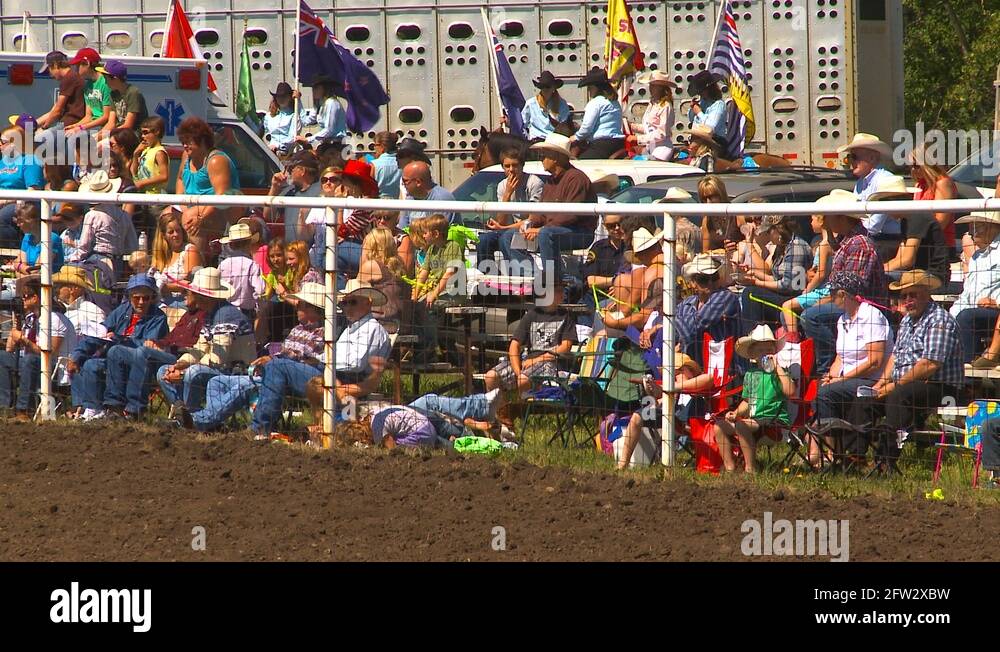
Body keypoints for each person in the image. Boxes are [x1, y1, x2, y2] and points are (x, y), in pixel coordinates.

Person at [846, 270, 963, 469]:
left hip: (940, 387)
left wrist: (893, 386)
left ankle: (885, 459)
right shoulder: (907, 321)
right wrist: (881, 382)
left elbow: (929, 365)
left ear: (926, 294)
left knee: (899, 396)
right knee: (864, 396)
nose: (907, 300)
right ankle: (854, 457)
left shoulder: (940, 320)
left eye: (913, 295)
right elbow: (895, 356)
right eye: (904, 296)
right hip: (905, 384)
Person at [247, 281, 390, 438]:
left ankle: (261, 428)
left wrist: (321, 358)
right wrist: (319, 358)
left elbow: (354, 364)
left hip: (344, 380)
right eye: (345, 302)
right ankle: (263, 428)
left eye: (353, 302)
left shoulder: (372, 328)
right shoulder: (353, 327)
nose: (347, 307)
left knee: (277, 366)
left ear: (368, 302)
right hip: (329, 374)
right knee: (274, 368)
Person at [799, 189, 888, 375]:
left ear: (840, 217)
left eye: (828, 216)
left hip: (859, 307)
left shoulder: (859, 245)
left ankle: (826, 368)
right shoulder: (846, 242)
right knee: (808, 313)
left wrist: (821, 301)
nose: (825, 219)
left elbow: (848, 291)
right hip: (845, 303)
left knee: (811, 316)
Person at [812, 272, 893, 468]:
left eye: (832, 293)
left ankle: (831, 453)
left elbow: (875, 360)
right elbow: (840, 357)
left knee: (825, 394)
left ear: (843, 294)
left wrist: (842, 379)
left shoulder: (871, 315)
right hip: (849, 379)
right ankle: (831, 451)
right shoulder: (843, 320)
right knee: (820, 388)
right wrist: (831, 376)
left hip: (872, 379)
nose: (830, 298)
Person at [67, 274, 168, 421]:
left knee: (115, 351)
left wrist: (117, 339)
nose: (141, 302)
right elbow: (99, 333)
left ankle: (115, 408)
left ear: (153, 297)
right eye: (136, 297)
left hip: (138, 365)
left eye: (146, 298)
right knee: (89, 363)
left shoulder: (158, 318)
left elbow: (147, 346)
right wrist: (76, 355)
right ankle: (93, 410)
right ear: (129, 296)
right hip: (113, 359)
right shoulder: (122, 311)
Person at [714, 325, 800, 474]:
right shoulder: (750, 374)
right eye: (761, 350)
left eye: (769, 350)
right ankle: (730, 468)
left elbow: (791, 392)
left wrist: (778, 368)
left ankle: (750, 468)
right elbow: (747, 402)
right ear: (753, 355)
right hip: (754, 420)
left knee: (741, 426)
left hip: (775, 422)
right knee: (719, 426)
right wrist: (736, 413)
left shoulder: (780, 373)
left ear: (774, 351)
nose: (765, 354)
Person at [516, 133, 596, 279]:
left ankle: (554, 281)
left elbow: (571, 215)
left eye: (544, 155)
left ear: (555, 157)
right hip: (555, 229)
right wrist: (529, 224)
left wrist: (540, 229)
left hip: (580, 232)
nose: (541, 159)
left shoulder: (576, 178)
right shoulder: (550, 181)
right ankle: (530, 278)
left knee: (547, 235)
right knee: (510, 237)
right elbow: (541, 212)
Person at [0, 278, 77, 421]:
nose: (23, 300)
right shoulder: (30, 318)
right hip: (31, 361)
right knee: (2, 357)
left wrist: (24, 340)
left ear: (35, 298)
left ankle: (24, 411)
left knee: (29, 360)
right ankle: (4, 406)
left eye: (25, 297)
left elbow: (51, 352)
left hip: (55, 367)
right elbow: (10, 349)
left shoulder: (54, 318)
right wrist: (16, 328)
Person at [484, 280, 576, 396]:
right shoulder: (532, 315)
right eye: (558, 290)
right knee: (491, 376)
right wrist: (517, 371)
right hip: (527, 361)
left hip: (552, 363)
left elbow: (566, 346)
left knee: (523, 379)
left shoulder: (566, 316)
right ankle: (497, 411)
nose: (563, 293)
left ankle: (518, 409)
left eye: (562, 290)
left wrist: (538, 359)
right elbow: (514, 345)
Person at [175, 117, 241, 257]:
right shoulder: (185, 157)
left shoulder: (216, 160)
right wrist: (182, 204)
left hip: (220, 210)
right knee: (166, 216)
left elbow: (221, 196)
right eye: (183, 142)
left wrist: (201, 217)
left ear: (203, 141)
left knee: (190, 219)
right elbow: (180, 179)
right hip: (192, 205)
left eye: (189, 142)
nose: (185, 146)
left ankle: (198, 264)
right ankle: (172, 265)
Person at [476, 147, 544, 272]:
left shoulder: (534, 183)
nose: (511, 170)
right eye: (507, 166)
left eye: (515, 165)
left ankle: (520, 278)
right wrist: (507, 194)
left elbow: (532, 220)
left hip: (531, 232)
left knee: (506, 236)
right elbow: (501, 221)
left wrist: (503, 228)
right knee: (484, 240)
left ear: (522, 166)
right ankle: (489, 279)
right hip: (511, 231)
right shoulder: (503, 185)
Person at [739, 215, 812, 331]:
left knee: (751, 294)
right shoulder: (782, 247)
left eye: (768, 232)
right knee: (749, 293)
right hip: (784, 294)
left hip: (794, 298)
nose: (767, 236)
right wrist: (754, 273)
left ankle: (753, 337)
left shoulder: (797, 247)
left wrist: (756, 282)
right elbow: (777, 278)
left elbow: (789, 285)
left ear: (777, 230)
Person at [838, 133, 901, 260]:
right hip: (869, 238)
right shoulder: (860, 183)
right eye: (849, 157)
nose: (851, 162)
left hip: (888, 242)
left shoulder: (885, 180)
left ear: (872, 158)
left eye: (854, 157)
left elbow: (874, 226)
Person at [877, 175, 949, 284]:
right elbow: (900, 257)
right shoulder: (906, 219)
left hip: (933, 275)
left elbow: (907, 259)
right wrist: (881, 269)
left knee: (882, 280)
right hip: (918, 272)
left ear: (893, 201)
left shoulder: (917, 217)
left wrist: (879, 270)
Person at [950, 212, 1000, 366]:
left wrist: (997, 302)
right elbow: (967, 292)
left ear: (993, 227)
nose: (972, 232)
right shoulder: (977, 256)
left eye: (978, 226)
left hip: (995, 311)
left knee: (966, 317)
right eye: (972, 227)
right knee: (948, 319)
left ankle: (965, 369)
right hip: (973, 311)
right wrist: (949, 317)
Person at [675, 254, 741, 367]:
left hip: (725, 370)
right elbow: (675, 334)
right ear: (693, 283)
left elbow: (691, 330)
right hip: (694, 368)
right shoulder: (686, 304)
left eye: (714, 278)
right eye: (704, 279)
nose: (710, 283)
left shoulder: (725, 297)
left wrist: (669, 319)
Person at [67, 170, 138, 273]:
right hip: (118, 264)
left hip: (98, 263)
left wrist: (70, 261)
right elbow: (132, 245)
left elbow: (84, 247)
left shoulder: (92, 215)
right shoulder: (124, 215)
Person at [780, 212, 836, 337]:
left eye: (812, 219)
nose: (810, 223)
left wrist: (808, 289)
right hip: (826, 289)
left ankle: (793, 342)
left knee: (787, 306)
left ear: (821, 221)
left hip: (823, 291)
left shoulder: (823, 245)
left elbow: (821, 274)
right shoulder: (832, 243)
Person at [357, 227, 410, 332]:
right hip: (398, 320)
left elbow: (355, 290)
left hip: (380, 322)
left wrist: (364, 253)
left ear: (372, 245)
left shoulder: (371, 265)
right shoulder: (399, 263)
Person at [0, 125, 46, 247]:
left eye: (2, 142)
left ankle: (8, 253)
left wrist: (4, 201)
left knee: (2, 216)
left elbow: (33, 190)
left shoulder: (30, 160)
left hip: (22, 204)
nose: (0, 145)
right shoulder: (2, 163)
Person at [910, 142, 959, 255]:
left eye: (916, 165)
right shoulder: (919, 185)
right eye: (910, 165)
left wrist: (915, 235)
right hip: (920, 241)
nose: (913, 169)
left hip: (940, 246)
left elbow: (941, 222)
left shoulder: (943, 183)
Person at [264, 150, 321, 244]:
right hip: (290, 252)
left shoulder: (321, 191)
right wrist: (274, 187)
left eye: (290, 169)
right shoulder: (289, 191)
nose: (287, 173)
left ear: (302, 171)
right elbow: (268, 215)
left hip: (311, 252)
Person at [149, 209, 202, 307]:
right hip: (161, 303)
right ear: (164, 236)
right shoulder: (160, 256)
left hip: (183, 304)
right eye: (171, 232)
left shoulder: (189, 250)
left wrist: (166, 288)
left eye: (178, 230)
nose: (176, 235)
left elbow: (190, 284)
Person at [572, 67, 625, 159]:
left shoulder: (595, 103)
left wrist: (575, 137)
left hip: (601, 145)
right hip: (618, 143)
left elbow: (587, 128)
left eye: (590, 86)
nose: (588, 90)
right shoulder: (614, 102)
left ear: (596, 87)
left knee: (580, 164)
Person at [412, 214, 465, 307]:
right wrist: (415, 295)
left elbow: (450, 273)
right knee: (417, 304)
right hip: (438, 291)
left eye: (425, 233)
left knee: (429, 306)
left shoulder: (453, 247)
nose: (423, 236)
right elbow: (424, 273)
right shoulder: (432, 249)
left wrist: (434, 293)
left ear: (436, 234)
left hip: (453, 294)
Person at [218, 223, 265, 317]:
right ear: (249, 244)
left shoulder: (223, 265)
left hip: (225, 309)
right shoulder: (252, 265)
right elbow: (260, 290)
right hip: (245, 312)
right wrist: (259, 308)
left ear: (231, 245)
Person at [627, 70, 676, 161]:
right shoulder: (652, 104)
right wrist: (631, 126)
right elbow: (648, 128)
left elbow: (662, 133)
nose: (650, 88)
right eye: (651, 85)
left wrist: (637, 138)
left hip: (662, 149)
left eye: (654, 86)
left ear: (661, 88)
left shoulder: (665, 106)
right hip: (651, 147)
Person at [63, 48, 112, 137]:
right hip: (92, 124)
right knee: (65, 135)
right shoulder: (87, 85)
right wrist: (75, 126)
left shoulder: (105, 83)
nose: (76, 69)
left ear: (87, 64)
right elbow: (88, 116)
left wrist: (81, 128)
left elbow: (105, 117)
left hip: (102, 126)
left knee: (75, 139)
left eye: (78, 65)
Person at [36, 50, 86, 131]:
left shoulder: (69, 79)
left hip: (70, 123)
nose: (50, 74)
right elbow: (54, 110)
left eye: (49, 69)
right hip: (68, 123)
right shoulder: (71, 76)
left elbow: (57, 111)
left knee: (37, 139)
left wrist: (44, 128)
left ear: (55, 65)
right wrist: (34, 124)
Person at [95, 60, 147, 138]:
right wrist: (97, 136)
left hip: (133, 135)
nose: (105, 82)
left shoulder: (133, 92)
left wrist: (107, 135)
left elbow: (128, 125)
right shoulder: (113, 93)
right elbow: (111, 123)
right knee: (92, 143)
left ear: (115, 78)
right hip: (118, 133)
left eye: (106, 79)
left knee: (101, 147)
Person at [13, 202, 64, 276]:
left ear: (32, 221)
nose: (17, 224)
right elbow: (20, 264)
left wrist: (19, 267)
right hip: (28, 282)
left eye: (20, 221)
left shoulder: (51, 238)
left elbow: (36, 271)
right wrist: (20, 268)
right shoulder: (27, 237)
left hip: (51, 283)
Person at [399, 160, 456, 227]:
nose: (403, 184)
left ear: (418, 182)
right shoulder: (410, 198)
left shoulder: (442, 199)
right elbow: (403, 228)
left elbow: (439, 234)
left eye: (405, 181)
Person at [52, 266, 106, 335]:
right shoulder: (56, 309)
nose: (55, 290)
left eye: (58, 286)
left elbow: (99, 338)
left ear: (72, 289)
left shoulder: (92, 311)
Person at [521, 71, 571, 141]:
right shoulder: (531, 103)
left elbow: (565, 125)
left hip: (555, 141)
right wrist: (508, 122)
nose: (545, 89)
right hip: (536, 141)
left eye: (548, 87)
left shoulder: (562, 104)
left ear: (554, 88)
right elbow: (522, 123)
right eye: (543, 87)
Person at [298, 75, 347, 146]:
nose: (313, 90)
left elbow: (329, 130)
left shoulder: (331, 103)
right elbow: (306, 121)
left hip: (335, 145)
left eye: (316, 88)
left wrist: (308, 140)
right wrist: (298, 101)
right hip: (326, 144)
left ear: (325, 89)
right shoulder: (320, 104)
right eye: (313, 88)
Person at [698, 175, 738, 253]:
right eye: (704, 199)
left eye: (712, 197)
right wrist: (719, 252)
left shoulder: (736, 215)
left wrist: (738, 246)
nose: (708, 202)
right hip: (716, 262)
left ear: (721, 194)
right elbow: (705, 252)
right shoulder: (706, 220)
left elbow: (751, 244)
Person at [130, 116, 169, 195]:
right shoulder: (146, 150)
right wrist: (135, 154)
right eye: (142, 133)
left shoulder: (159, 152)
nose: (142, 136)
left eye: (146, 133)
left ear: (157, 132)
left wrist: (142, 183)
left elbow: (164, 176)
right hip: (143, 194)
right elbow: (133, 172)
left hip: (155, 196)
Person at [686, 70, 727, 141]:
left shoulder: (718, 105)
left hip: (714, 143)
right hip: (699, 141)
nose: (699, 94)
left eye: (701, 91)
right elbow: (692, 119)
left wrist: (699, 112)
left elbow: (710, 128)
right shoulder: (703, 101)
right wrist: (693, 109)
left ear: (710, 89)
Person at [263, 82, 297, 155]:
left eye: (284, 96)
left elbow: (292, 137)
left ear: (290, 97)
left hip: (287, 153)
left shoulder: (294, 116)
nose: (281, 99)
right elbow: (265, 133)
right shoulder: (268, 116)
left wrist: (277, 146)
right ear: (275, 98)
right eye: (279, 96)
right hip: (270, 152)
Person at [372, 131, 402, 198]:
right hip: (400, 204)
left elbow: (370, 190)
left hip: (379, 204)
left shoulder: (374, 165)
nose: (374, 148)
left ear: (382, 146)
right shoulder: (403, 163)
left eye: (375, 145)